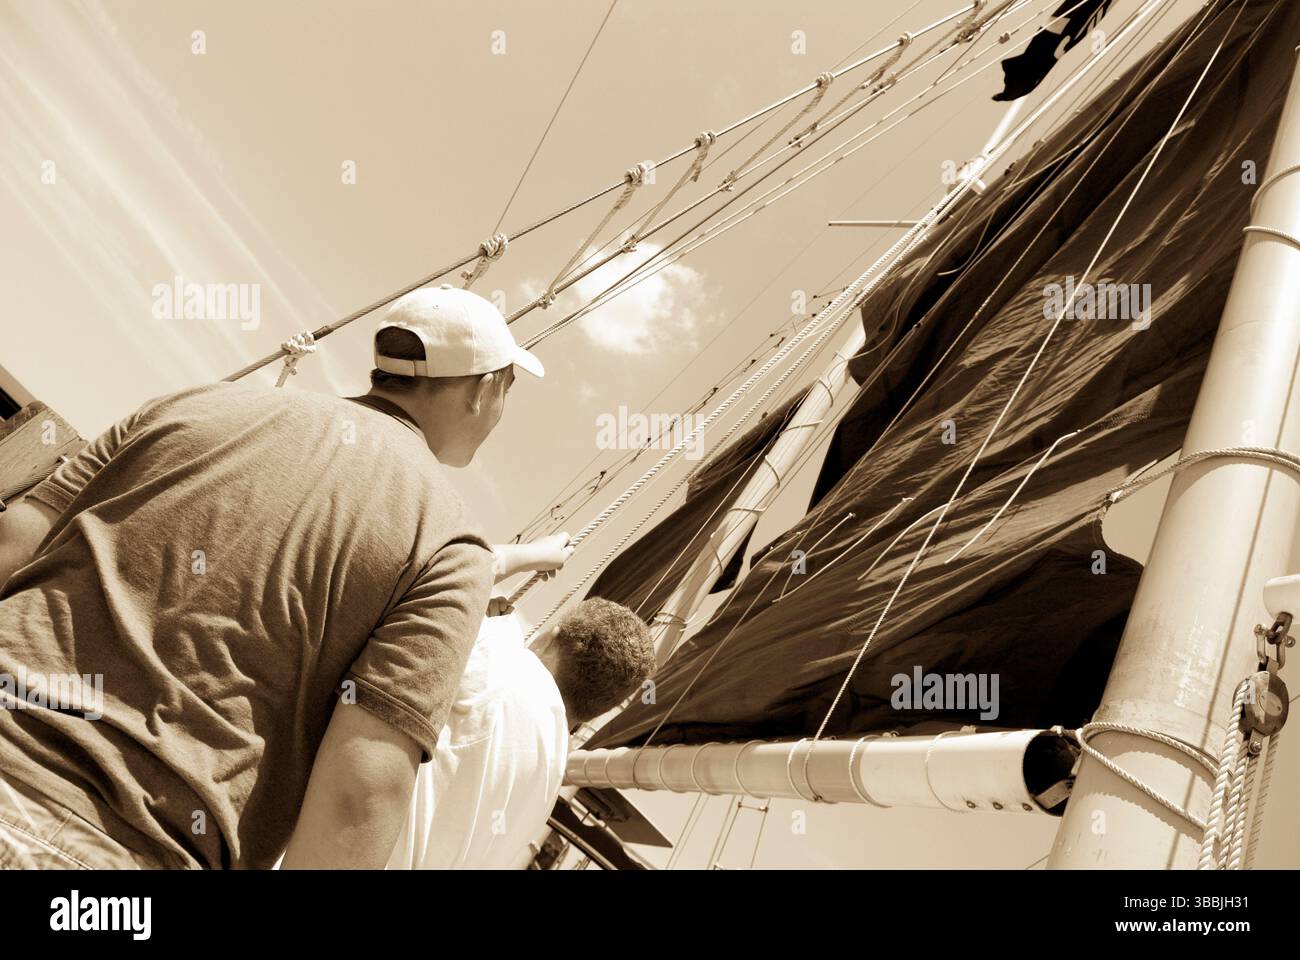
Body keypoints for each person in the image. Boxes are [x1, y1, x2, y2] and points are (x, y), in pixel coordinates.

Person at [0, 284, 542, 869]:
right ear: (486, 387)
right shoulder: (449, 547)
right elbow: (359, 794)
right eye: (508, 388)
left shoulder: (193, 404)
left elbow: (14, 545)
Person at [385, 574, 655, 870]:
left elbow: (445, 576)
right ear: (602, 707)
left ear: (551, 635)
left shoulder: (505, 664)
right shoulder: (549, 784)